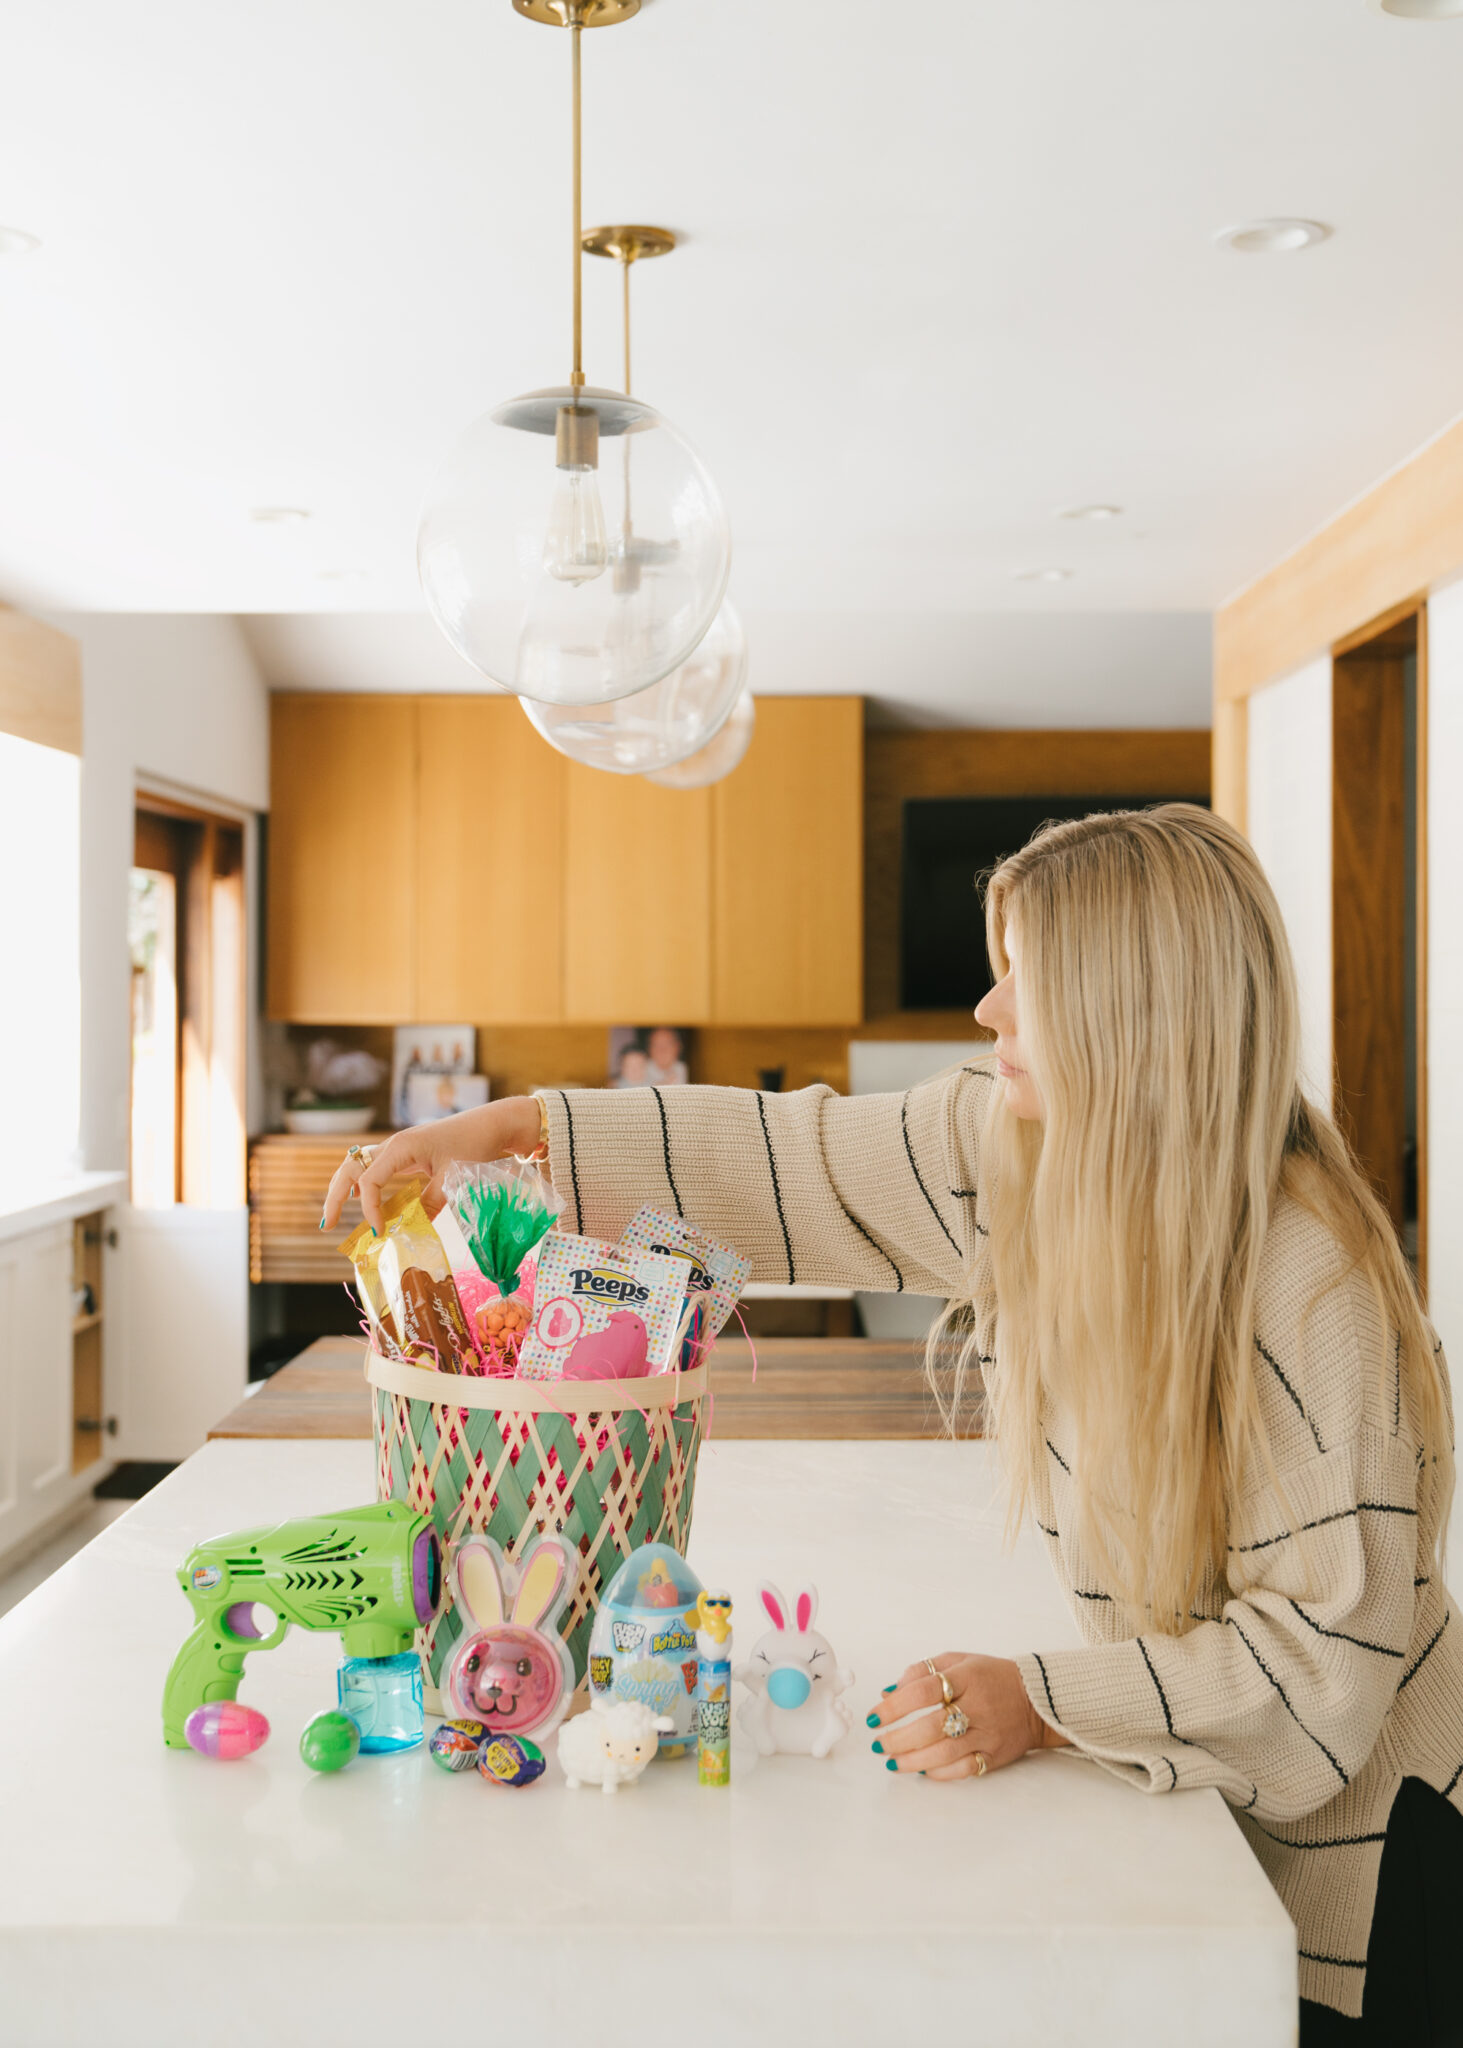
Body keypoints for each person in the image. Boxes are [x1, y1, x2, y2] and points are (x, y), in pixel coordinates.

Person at [323, 806, 1461, 2045]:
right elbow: (793, 1160)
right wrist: (496, 1131)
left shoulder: (1309, 1288)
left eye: (1028, 978)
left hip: (1374, 1880)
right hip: (1210, 1824)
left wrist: (1040, 1700)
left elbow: (1318, 1669)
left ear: (1132, 1012)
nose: (986, 1008)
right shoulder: (1031, 1144)